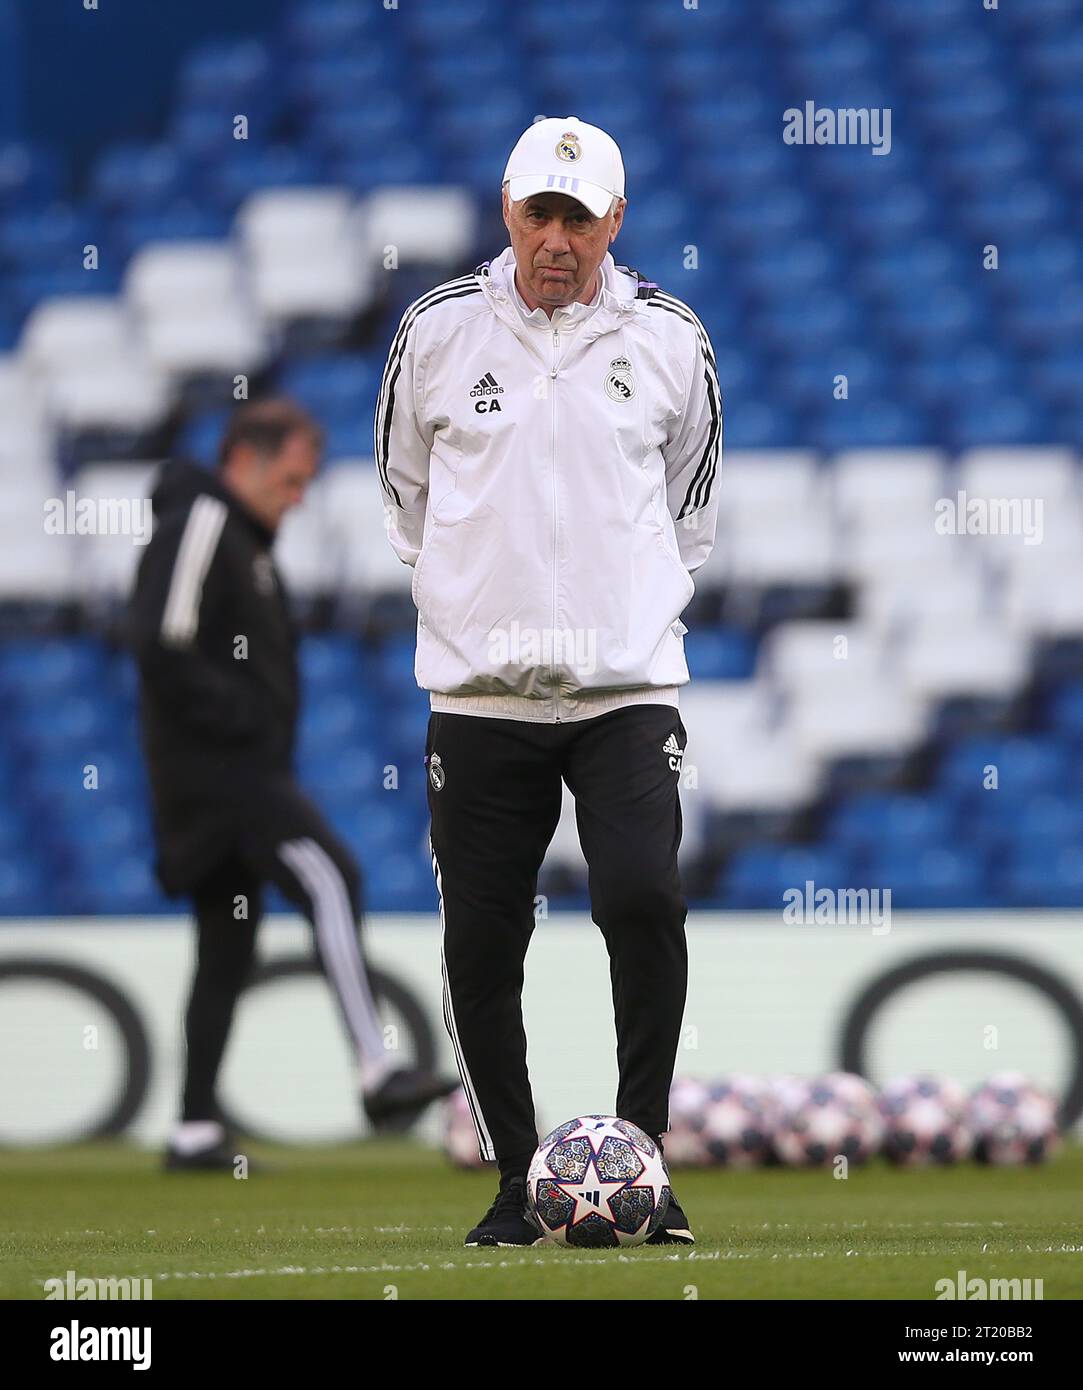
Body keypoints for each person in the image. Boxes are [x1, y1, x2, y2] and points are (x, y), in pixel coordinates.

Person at [375, 118, 721, 1244]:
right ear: (507, 212)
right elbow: (404, 501)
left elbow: (691, 517)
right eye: (540, 213)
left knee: (642, 898)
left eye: (581, 215)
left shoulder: (672, 338)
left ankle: (644, 1159)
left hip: (626, 690)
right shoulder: (434, 333)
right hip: (480, 698)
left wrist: (615, 618)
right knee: (481, 941)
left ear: (616, 220)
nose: (558, 238)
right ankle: (516, 1176)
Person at [128, 399, 455, 1169]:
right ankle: (376, 1069)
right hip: (222, 773)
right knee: (332, 875)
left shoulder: (246, 540)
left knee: (226, 945)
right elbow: (157, 638)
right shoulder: (202, 523)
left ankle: (194, 1129)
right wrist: (238, 718)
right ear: (244, 458)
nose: (299, 495)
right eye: (291, 477)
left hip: (229, 767)